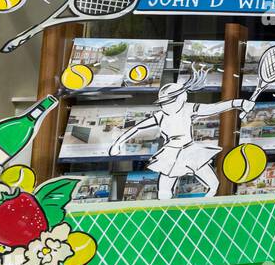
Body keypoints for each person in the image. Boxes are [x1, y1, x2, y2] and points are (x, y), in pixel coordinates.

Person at [109, 67, 254, 199]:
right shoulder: (161, 115)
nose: (166, 105)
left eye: (170, 101)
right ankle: (165, 217)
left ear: (182, 98)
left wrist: (238, 103)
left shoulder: (189, 109)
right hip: (171, 153)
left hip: (190, 151)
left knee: (213, 185)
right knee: (164, 191)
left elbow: (212, 108)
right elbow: (137, 128)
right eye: (163, 102)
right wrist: (118, 143)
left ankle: (203, 211)